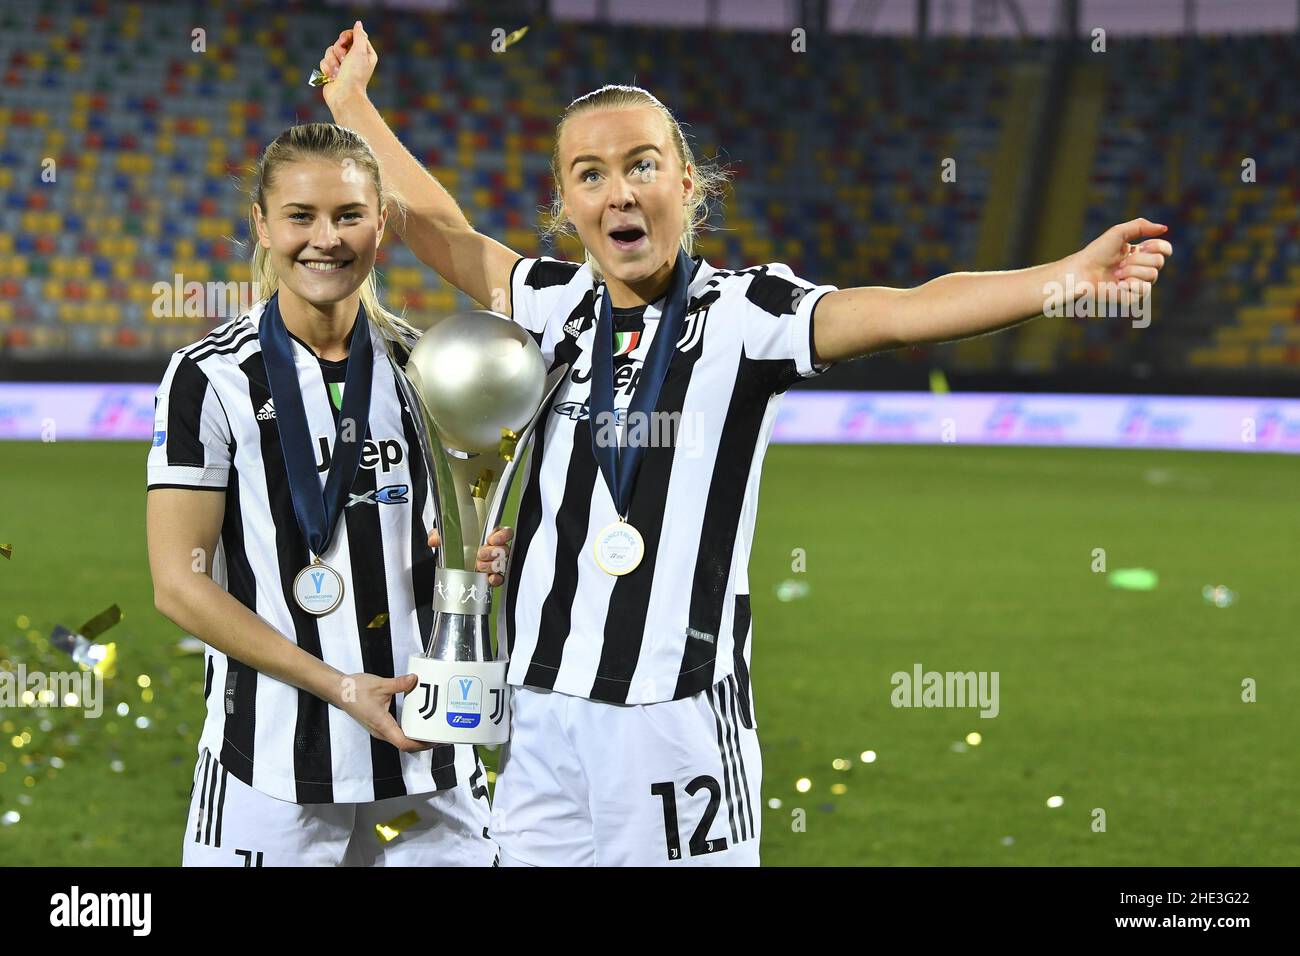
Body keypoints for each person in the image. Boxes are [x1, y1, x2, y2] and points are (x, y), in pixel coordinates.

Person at [317, 21, 1172, 866]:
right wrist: (353, 101)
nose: (620, 192)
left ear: (686, 184)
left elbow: (904, 308)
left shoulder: (744, 314)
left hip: (674, 713)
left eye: (642, 165)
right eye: (591, 174)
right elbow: (437, 227)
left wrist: (1064, 279)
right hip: (542, 709)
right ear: (567, 204)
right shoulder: (551, 305)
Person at [146, 122, 512, 866]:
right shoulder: (209, 377)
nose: (326, 239)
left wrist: (487, 556)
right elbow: (179, 585)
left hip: (428, 761)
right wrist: (340, 686)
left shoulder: (429, 368)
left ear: (382, 223)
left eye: (349, 215)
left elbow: (460, 533)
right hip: (270, 769)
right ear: (262, 225)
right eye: (301, 216)